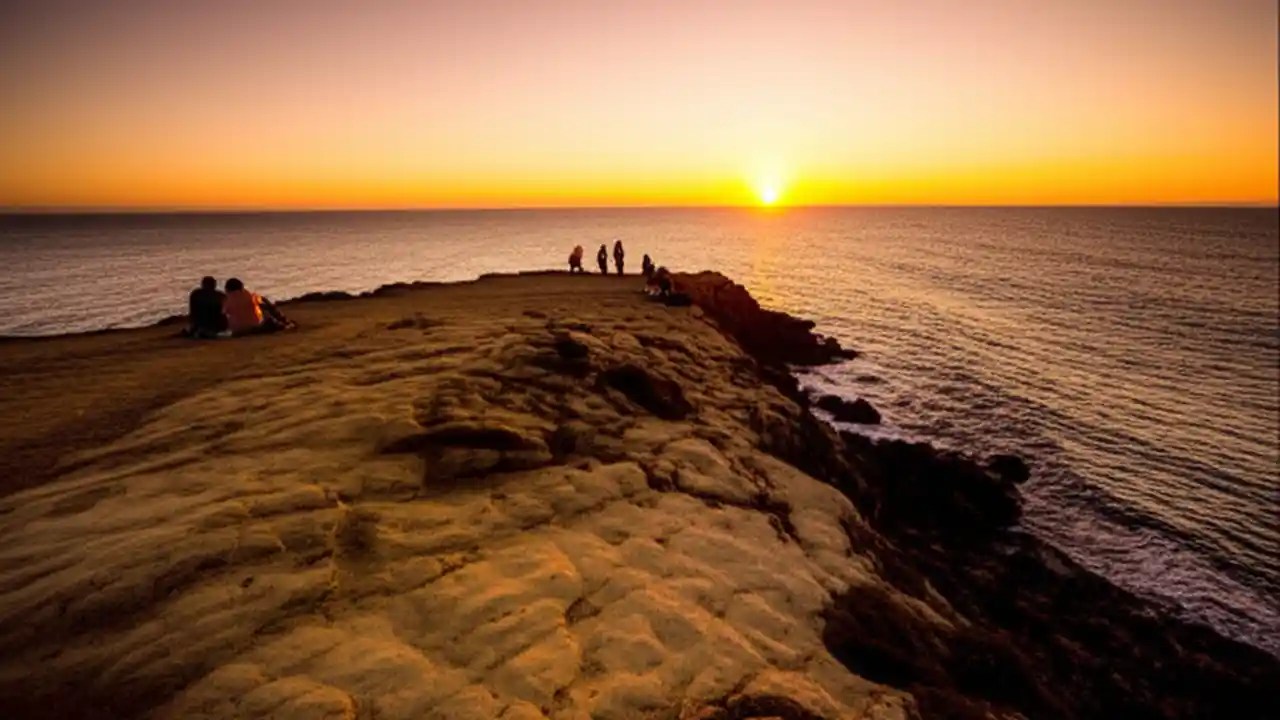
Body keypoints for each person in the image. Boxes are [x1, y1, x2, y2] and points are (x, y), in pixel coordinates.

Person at [223, 278, 294, 335]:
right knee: (266, 310)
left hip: (237, 331)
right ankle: (284, 321)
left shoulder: (226, 300)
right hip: (254, 327)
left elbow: (224, 313)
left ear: (227, 289)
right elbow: (265, 305)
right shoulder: (251, 296)